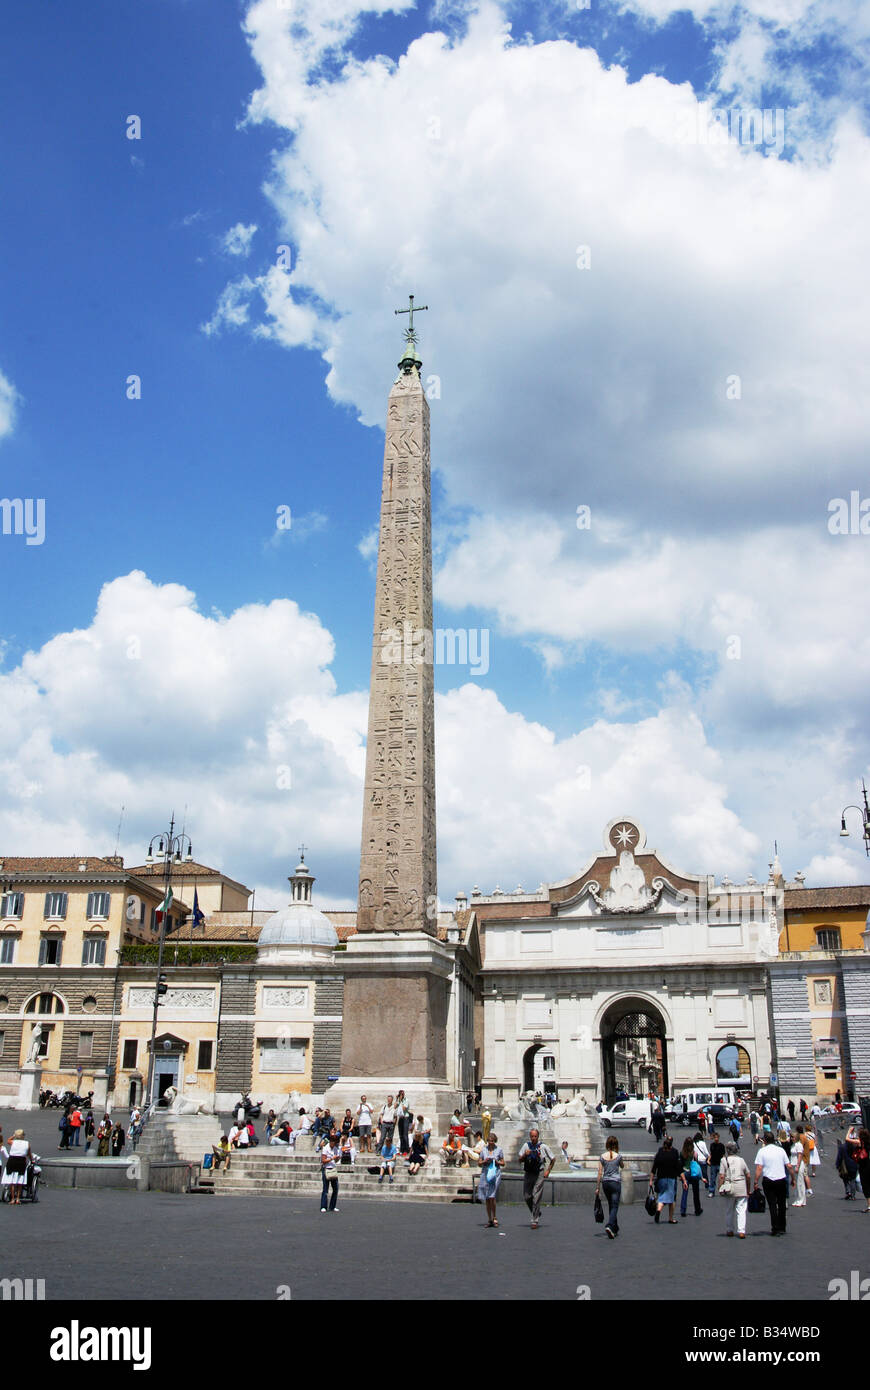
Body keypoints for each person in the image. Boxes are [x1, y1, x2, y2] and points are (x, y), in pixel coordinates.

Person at [754, 1135, 795, 1235]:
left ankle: (775, 1227)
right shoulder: (780, 1150)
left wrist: (755, 1181)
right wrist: (793, 1178)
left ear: (765, 1140)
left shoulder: (762, 1151)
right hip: (781, 1179)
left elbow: (759, 1168)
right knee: (781, 1204)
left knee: (772, 1205)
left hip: (768, 1180)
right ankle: (782, 1226)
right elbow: (789, 1166)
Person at [518, 1127, 554, 1229]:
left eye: (535, 1136)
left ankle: (535, 1220)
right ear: (530, 1137)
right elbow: (519, 1159)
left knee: (536, 1196)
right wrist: (525, 1154)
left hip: (539, 1172)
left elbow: (553, 1158)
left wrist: (548, 1171)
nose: (533, 1138)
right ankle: (536, 1212)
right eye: (532, 1136)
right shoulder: (526, 1146)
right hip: (528, 1172)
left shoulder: (543, 1146)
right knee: (527, 1196)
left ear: (538, 1137)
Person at [717, 1141, 751, 1238]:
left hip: (729, 1187)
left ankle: (729, 1230)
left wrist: (720, 1187)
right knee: (741, 1210)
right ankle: (741, 1231)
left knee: (729, 1210)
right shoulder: (741, 1160)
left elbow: (721, 1176)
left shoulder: (724, 1160)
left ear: (727, 1150)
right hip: (741, 1186)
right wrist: (748, 1189)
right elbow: (748, 1175)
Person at [650, 1134, 684, 1224]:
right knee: (671, 1199)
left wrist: (650, 1180)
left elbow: (654, 1168)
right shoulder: (674, 1152)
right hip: (671, 1178)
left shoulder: (660, 1152)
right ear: (671, 1145)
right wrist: (683, 1179)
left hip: (661, 1178)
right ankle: (670, 1218)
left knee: (661, 1196)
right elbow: (678, 1167)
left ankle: (658, 1210)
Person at [596, 1136, 624, 1239]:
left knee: (611, 1204)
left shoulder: (602, 1156)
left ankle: (614, 1228)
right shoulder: (618, 1156)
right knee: (615, 1205)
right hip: (615, 1183)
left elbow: (599, 1173)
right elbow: (622, 1166)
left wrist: (597, 1187)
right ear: (616, 1145)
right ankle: (610, 1225)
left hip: (605, 1183)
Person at [477, 1134, 505, 1227]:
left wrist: (497, 1162)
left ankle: (495, 1217)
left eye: (492, 1141)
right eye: (489, 1141)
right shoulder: (484, 1150)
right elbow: (479, 1163)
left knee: (492, 1196)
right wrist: (485, 1161)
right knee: (487, 1198)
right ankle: (489, 1219)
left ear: (495, 1141)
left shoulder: (499, 1150)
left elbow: (503, 1163)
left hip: (494, 1174)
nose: (490, 1143)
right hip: (485, 1173)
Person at [2, 1130, 32, 1205]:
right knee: (19, 1181)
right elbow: (29, 1154)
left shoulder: (13, 1142)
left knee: (12, 1181)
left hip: (12, 1161)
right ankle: (18, 1198)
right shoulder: (27, 1143)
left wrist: (13, 1136)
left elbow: (8, 1140)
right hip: (21, 1161)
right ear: (23, 1136)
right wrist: (32, 1160)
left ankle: (12, 1199)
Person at [680, 1136, 703, 1217]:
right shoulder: (694, 1153)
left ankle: (683, 1210)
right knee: (696, 1192)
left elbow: (681, 1165)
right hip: (693, 1173)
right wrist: (701, 1177)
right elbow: (696, 1164)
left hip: (685, 1173)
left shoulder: (682, 1153)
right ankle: (697, 1209)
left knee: (685, 1192)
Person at [320, 1135, 341, 1212]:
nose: (334, 1144)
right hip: (326, 1169)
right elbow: (323, 1160)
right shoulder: (325, 1148)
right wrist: (332, 1158)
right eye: (334, 1143)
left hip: (333, 1169)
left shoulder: (335, 1149)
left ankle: (332, 1206)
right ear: (331, 1141)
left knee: (335, 1188)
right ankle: (323, 1206)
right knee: (325, 1189)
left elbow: (335, 1161)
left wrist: (337, 1158)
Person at [853, 1127, 870, 1212]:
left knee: (866, 1186)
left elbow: (847, 1139)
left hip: (864, 1167)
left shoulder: (860, 1143)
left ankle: (869, 1205)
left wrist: (849, 1131)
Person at [708, 1131, 726, 1197]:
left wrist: (725, 1163)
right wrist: (708, 1159)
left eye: (717, 1137)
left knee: (722, 1178)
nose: (716, 1139)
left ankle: (723, 1190)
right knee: (712, 1178)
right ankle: (711, 1191)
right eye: (715, 1137)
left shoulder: (721, 1145)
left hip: (720, 1164)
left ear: (718, 1138)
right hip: (713, 1163)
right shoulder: (712, 1145)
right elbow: (711, 1153)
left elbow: (723, 1155)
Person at [395, 1090, 412, 1155]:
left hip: (405, 1118)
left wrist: (400, 1101)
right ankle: (401, 1149)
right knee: (401, 1135)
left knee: (405, 1135)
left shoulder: (406, 1100)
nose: (401, 1095)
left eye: (402, 1094)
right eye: (400, 1094)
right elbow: (395, 1106)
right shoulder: (398, 1100)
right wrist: (397, 1099)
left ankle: (406, 1149)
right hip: (400, 1118)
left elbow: (404, 1108)